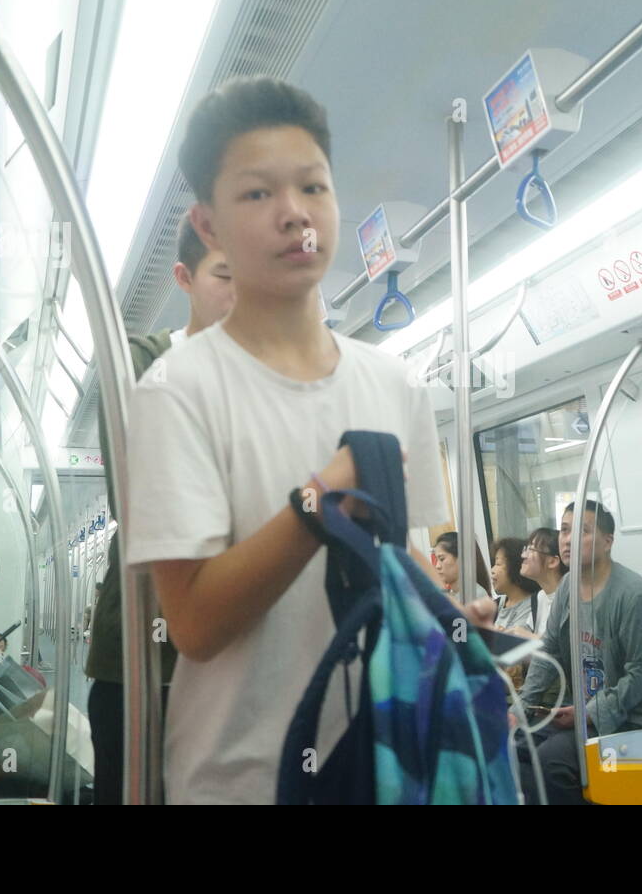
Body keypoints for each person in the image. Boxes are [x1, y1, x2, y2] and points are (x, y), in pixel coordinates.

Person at [124, 76, 466, 804]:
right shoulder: (174, 392)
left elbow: (408, 561)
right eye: (257, 195)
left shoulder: (397, 385)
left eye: (313, 187)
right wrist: (318, 503)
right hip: (237, 780)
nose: (294, 215)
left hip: (386, 764)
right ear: (209, 226)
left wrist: (450, 620)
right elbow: (193, 623)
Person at [84, 208, 236, 805]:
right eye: (226, 275)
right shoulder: (138, 363)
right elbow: (146, 500)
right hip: (144, 668)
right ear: (184, 277)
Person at [515, 501, 642, 805]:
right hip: (586, 714)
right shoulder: (567, 588)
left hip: (635, 723)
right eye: (564, 530)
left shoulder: (634, 597)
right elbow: (549, 649)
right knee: (512, 744)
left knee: (552, 760)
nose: (568, 539)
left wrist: (589, 714)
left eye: (582, 531)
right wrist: (520, 709)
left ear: (607, 542)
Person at [520, 526, 565, 636]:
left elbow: (562, 650)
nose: (523, 555)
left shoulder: (569, 603)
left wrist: (528, 637)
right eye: (526, 549)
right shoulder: (539, 597)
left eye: (531, 549)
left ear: (553, 561)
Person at [491, 537, 538, 632]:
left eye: (498, 564)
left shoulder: (532, 607)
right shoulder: (498, 604)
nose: (492, 570)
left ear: (516, 568)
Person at [433, 531, 492, 601]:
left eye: (442, 559)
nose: (437, 566)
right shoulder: (451, 595)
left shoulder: (476, 596)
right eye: (437, 560)